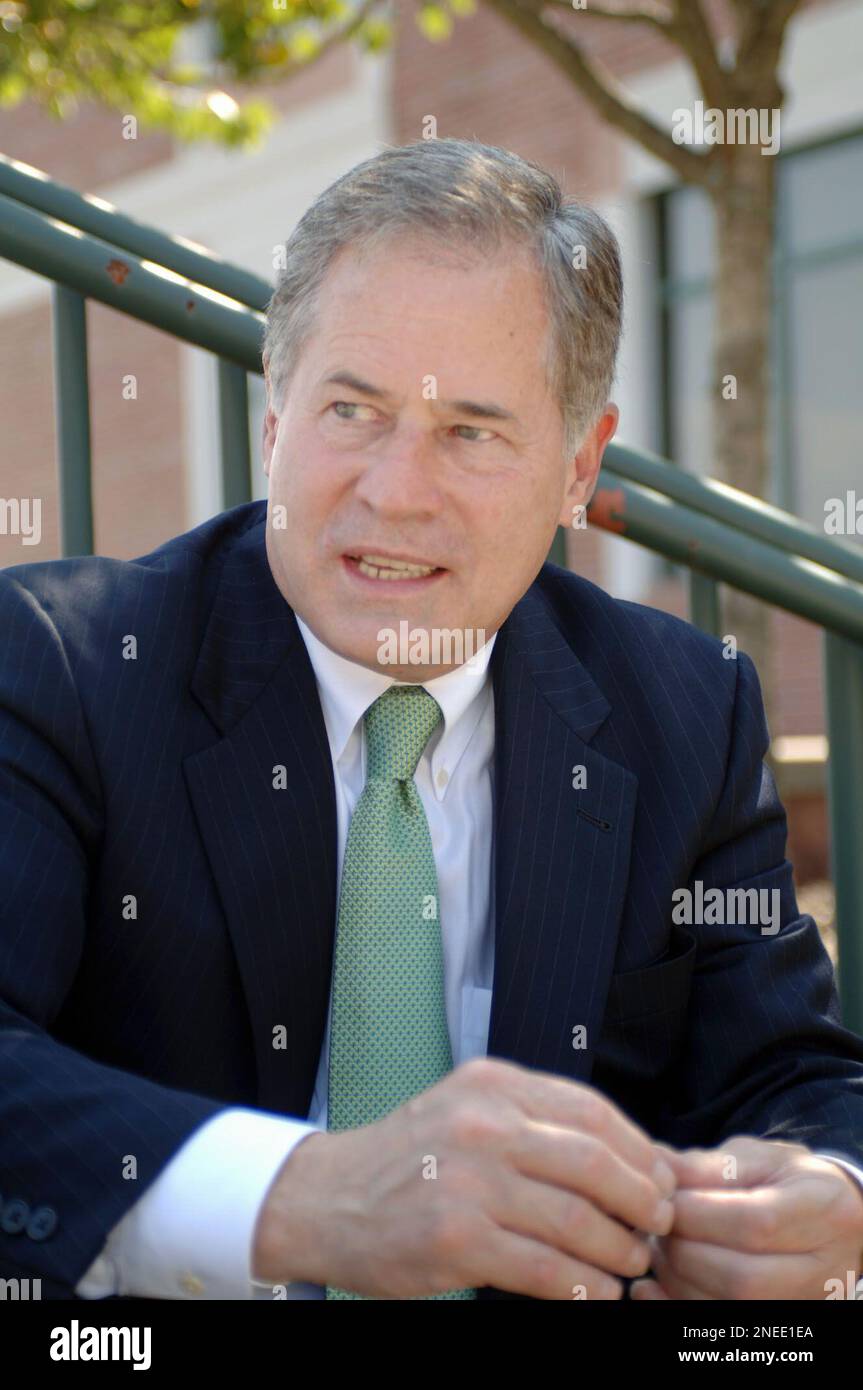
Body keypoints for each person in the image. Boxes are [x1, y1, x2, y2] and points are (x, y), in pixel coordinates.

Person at [1, 138, 862, 1303]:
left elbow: (785, 1070)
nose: (396, 489)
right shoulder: (62, 664)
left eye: (469, 431)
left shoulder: (683, 706)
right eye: (350, 408)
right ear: (274, 416)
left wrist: (822, 1182)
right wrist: (303, 1197)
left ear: (577, 467)